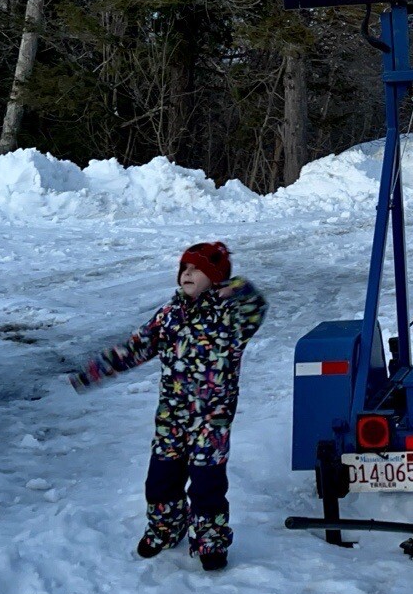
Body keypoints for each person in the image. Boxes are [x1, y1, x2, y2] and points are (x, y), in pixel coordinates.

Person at [70, 242, 267, 571]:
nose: (187, 274)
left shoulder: (232, 317)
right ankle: (166, 527)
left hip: (212, 420)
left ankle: (210, 539)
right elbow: (136, 347)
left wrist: (237, 288)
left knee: (207, 483)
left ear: (215, 278)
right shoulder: (169, 315)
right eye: (184, 268)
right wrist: (96, 370)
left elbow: (256, 307)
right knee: (161, 480)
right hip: (171, 417)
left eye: (197, 269)